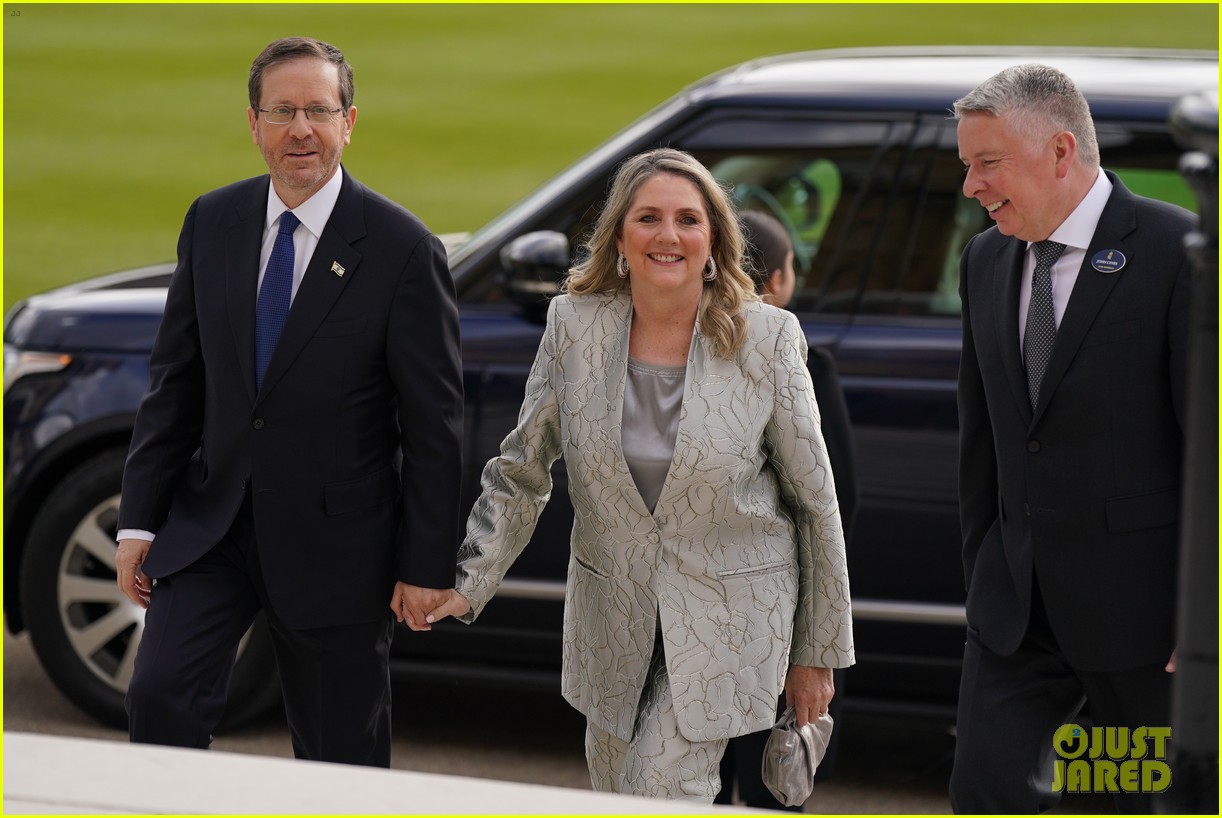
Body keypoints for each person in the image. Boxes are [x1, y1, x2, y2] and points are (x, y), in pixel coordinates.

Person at [422, 148, 854, 802]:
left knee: (658, 790)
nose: (667, 235)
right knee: (616, 792)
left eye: (687, 219)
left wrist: (817, 652)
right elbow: (522, 467)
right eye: (648, 217)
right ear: (620, 237)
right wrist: (468, 580)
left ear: (713, 241)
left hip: (730, 620)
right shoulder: (573, 326)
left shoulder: (769, 339)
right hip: (613, 621)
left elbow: (814, 504)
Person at [113, 37, 464, 768]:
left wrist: (426, 562)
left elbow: (434, 425)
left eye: (317, 110)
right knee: (160, 698)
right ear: (254, 124)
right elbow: (175, 380)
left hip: (338, 547)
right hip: (213, 530)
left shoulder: (403, 249)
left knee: (342, 759)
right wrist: (138, 521)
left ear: (349, 122)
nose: (299, 128)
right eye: (282, 111)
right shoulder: (213, 222)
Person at [951, 64, 1190, 812]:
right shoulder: (985, 260)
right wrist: (985, 573)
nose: (972, 187)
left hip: (1145, 627)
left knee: (1120, 805)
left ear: (1061, 152)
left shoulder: (1179, 252)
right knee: (987, 796)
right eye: (966, 166)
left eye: (989, 164)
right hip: (1015, 617)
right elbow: (983, 440)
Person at [715, 209, 860, 810]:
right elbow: (836, 499)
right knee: (776, 785)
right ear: (775, 282)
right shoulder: (804, 361)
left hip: (709, 618)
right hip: (778, 617)